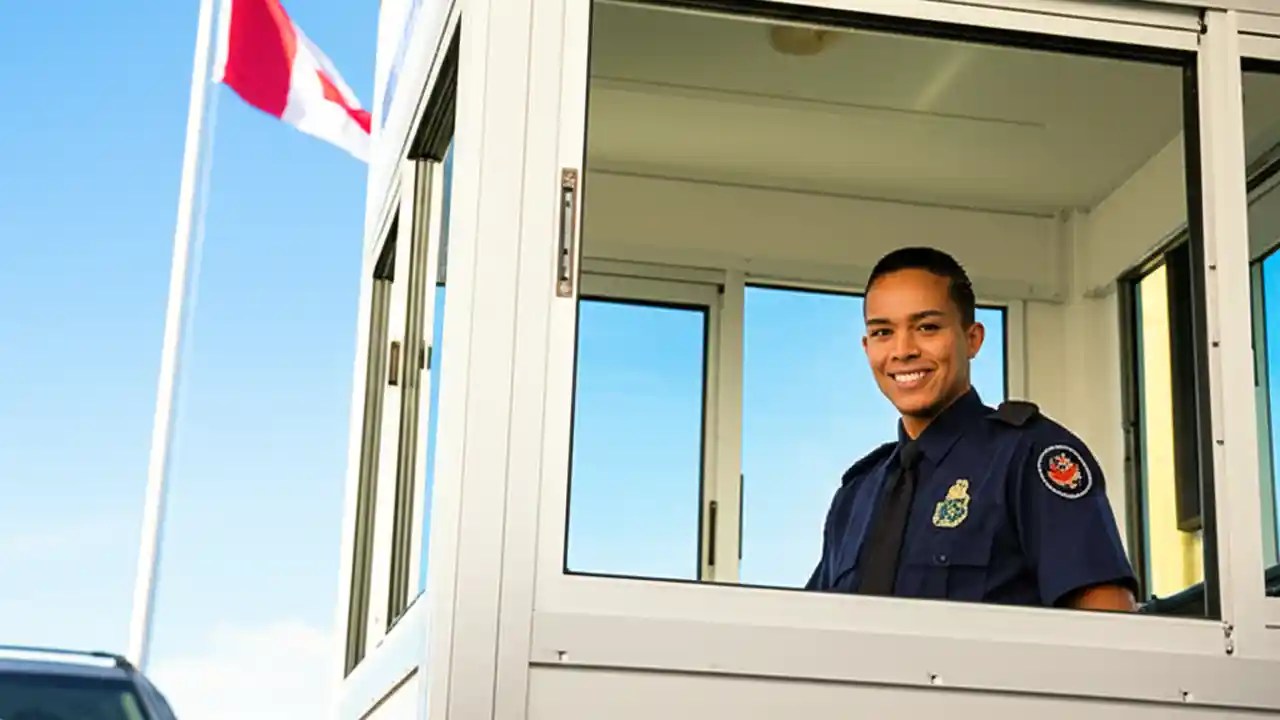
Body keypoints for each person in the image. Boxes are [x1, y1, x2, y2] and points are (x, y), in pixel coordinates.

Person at [805, 247, 1138, 611]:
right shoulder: (856, 495)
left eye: (927, 327)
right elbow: (813, 630)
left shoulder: (1028, 455)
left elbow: (1107, 615)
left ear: (973, 339)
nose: (902, 350)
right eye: (883, 332)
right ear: (867, 347)